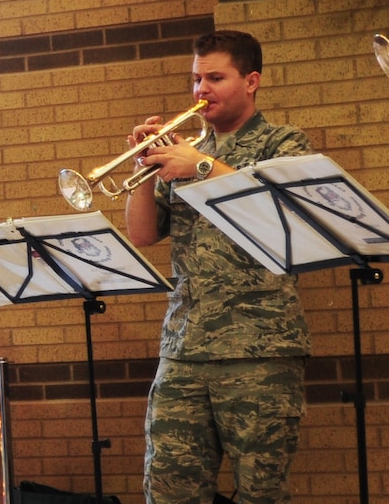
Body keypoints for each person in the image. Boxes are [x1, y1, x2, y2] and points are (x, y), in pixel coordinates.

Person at [124, 30, 312, 504]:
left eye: (214, 77)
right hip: (184, 346)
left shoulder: (282, 143)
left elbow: (288, 213)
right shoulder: (184, 153)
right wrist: (142, 172)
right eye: (195, 78)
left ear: (251, 81)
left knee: (260, 493)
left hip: (259, 348)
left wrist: (202, 167)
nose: (200, 90)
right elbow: (143, 234)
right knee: (168, 491)